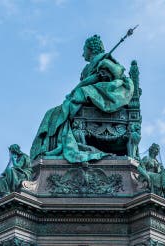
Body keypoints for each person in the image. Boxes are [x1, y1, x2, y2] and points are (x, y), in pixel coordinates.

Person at [30, 34, 134, 163]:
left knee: (65, 106)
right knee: (52, 113)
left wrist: (105, 66)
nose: (82, 54)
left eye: (84, 50)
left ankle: (56, 142)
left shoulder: (104, 60)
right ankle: (52, 144)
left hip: (104, 93)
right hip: (90, 97)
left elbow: (115, 74)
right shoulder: (89, 67)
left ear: (90, 49)